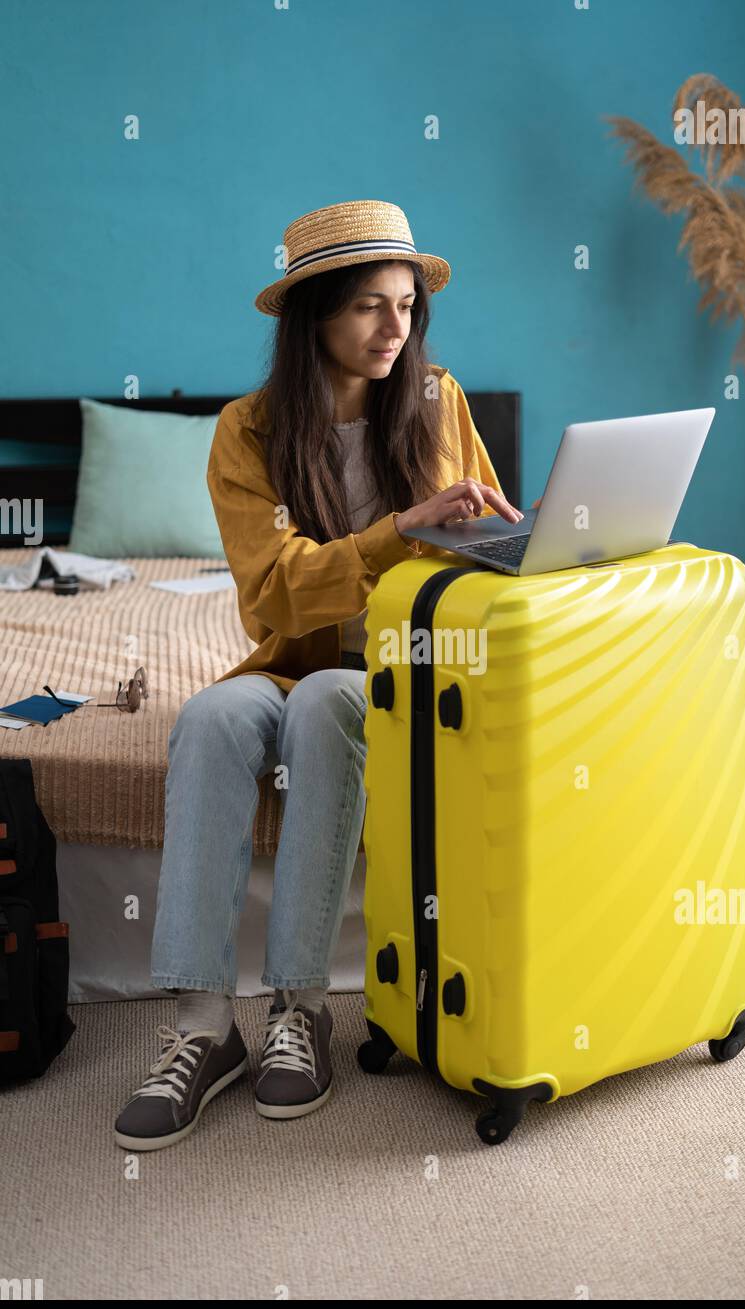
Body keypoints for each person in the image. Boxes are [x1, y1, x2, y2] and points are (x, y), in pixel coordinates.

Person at [113, 200, 524, 1150]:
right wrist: (399, 531)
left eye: (407, 307)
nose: (395, 330)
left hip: (393, 672)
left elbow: (484, 554)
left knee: (342, 698)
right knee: (215, 718)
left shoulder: (438, 402)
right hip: (287, 658)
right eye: (368, 309)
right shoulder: (248, 432)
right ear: (313, 318)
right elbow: (273, 596)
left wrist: (515, 532)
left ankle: (301, 1008)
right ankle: (202, 1026)